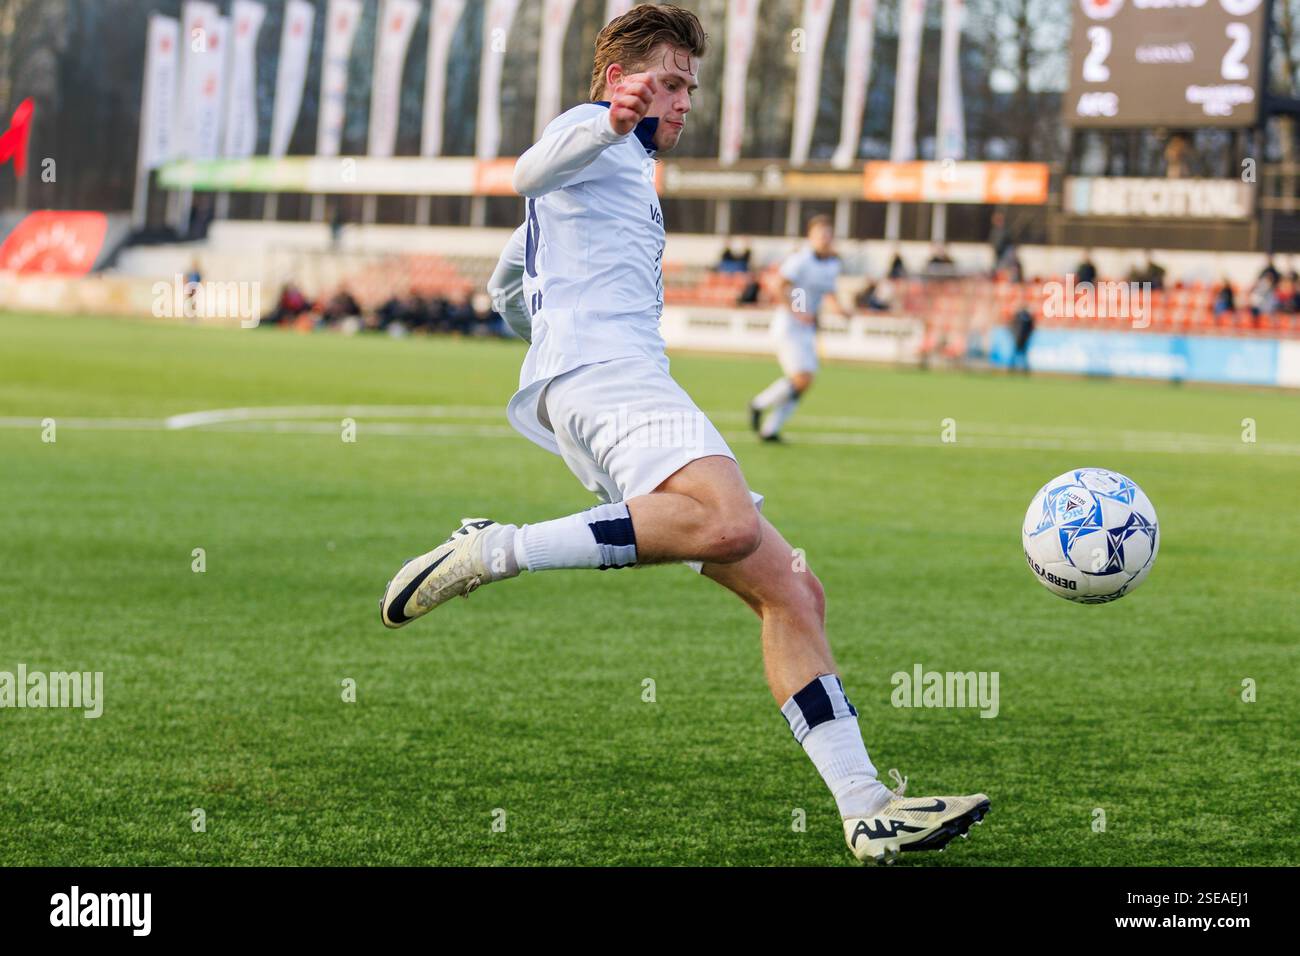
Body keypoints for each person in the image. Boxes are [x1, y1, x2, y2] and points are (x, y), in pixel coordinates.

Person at [378, 3, 988, 866]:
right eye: (668, 82)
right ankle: (495, 550)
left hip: (595, 384)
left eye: (689, 85)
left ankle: (866, 805)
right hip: (613, 381)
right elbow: (525, 171)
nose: (684, 100)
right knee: (729, 521)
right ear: (616, 81)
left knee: (792, 591)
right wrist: (610, 120)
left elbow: (508, 282)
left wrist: (547, 335)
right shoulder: (596, 129)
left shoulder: (612, 169)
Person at [747, 215, 850, 443]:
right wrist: (797, 310)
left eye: (828, 234)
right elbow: (777, 285)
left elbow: (829, 293)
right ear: (810, 237)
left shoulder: (833, 263)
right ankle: (758, 404)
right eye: (820, 234)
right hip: (788, 325)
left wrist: (841, 311)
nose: (824, 238)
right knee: (801, 378)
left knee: (806, 381)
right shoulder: (800, 260)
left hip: (806, 328)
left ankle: (770, 430)